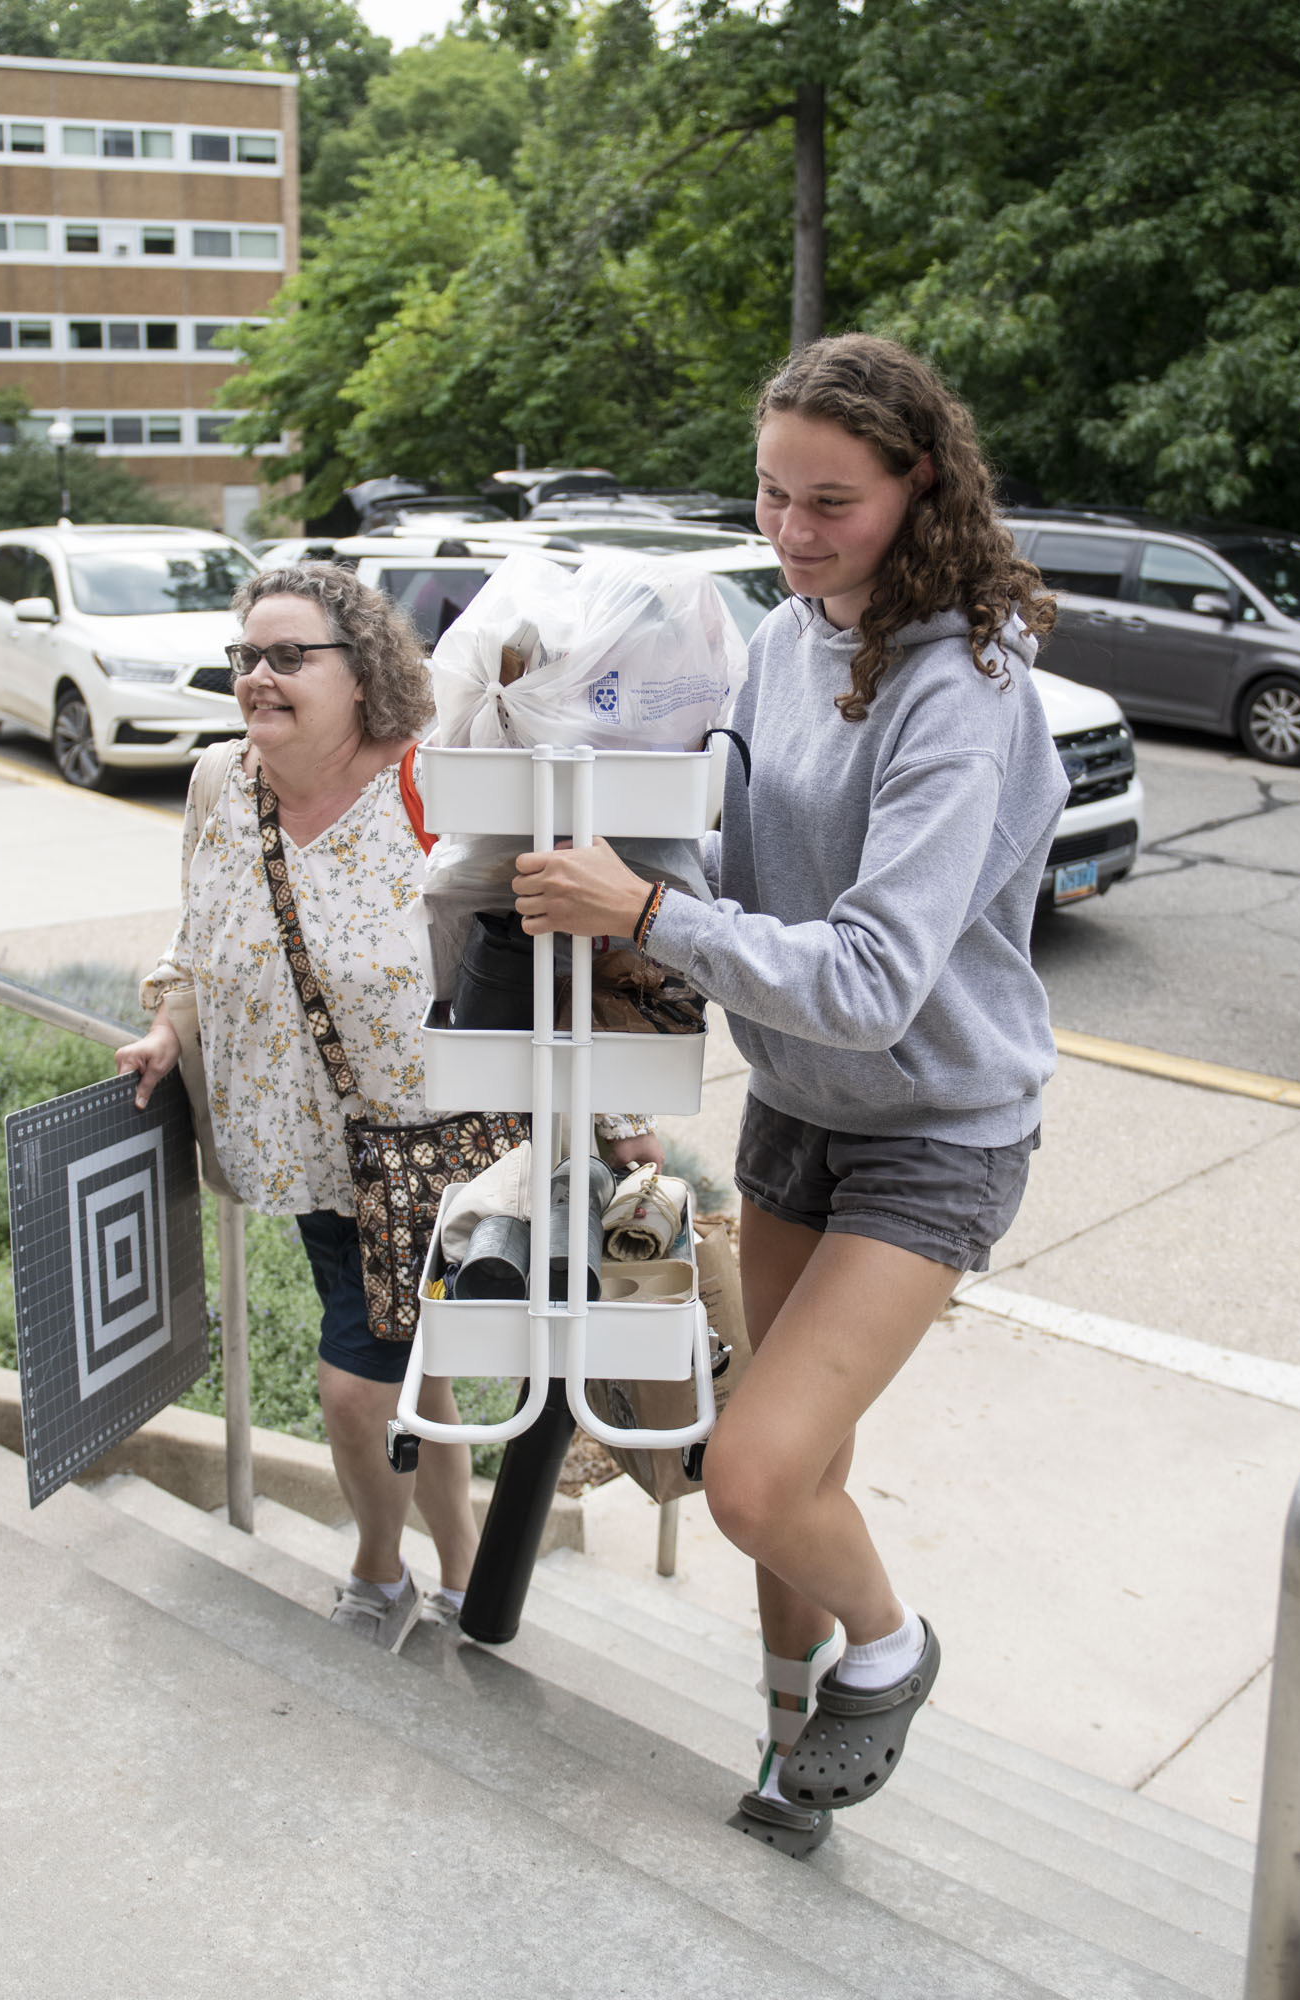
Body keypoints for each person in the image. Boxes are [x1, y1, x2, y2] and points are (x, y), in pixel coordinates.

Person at [512, 333, 1065, 1857]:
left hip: (938, 1130)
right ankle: (784, 1743)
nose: (795, 530)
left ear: (921, 485)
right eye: (771, 493)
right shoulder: (784, 634)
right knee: (802, 1461)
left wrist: (640, 917)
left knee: (747, 1477)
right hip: (798, 1113)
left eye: (833, 501)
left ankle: (888, 1650)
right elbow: (738, 867)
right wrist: (581, 798)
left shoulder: (965, 685)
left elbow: (877, 977)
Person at [117, 564, 659, 1654]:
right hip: (319, 1157)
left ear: (361, 672)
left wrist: (615, 1119)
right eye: (244, 658)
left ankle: (379, 1567)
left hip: (441, 1152)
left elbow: (546, 960)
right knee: (419, 1365)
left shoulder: (431, 786)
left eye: (286, 657)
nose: (256, 679)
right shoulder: (222, 783)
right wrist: (172, 1020)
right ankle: (462, 1578)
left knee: (362, 1390)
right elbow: (195, 931)